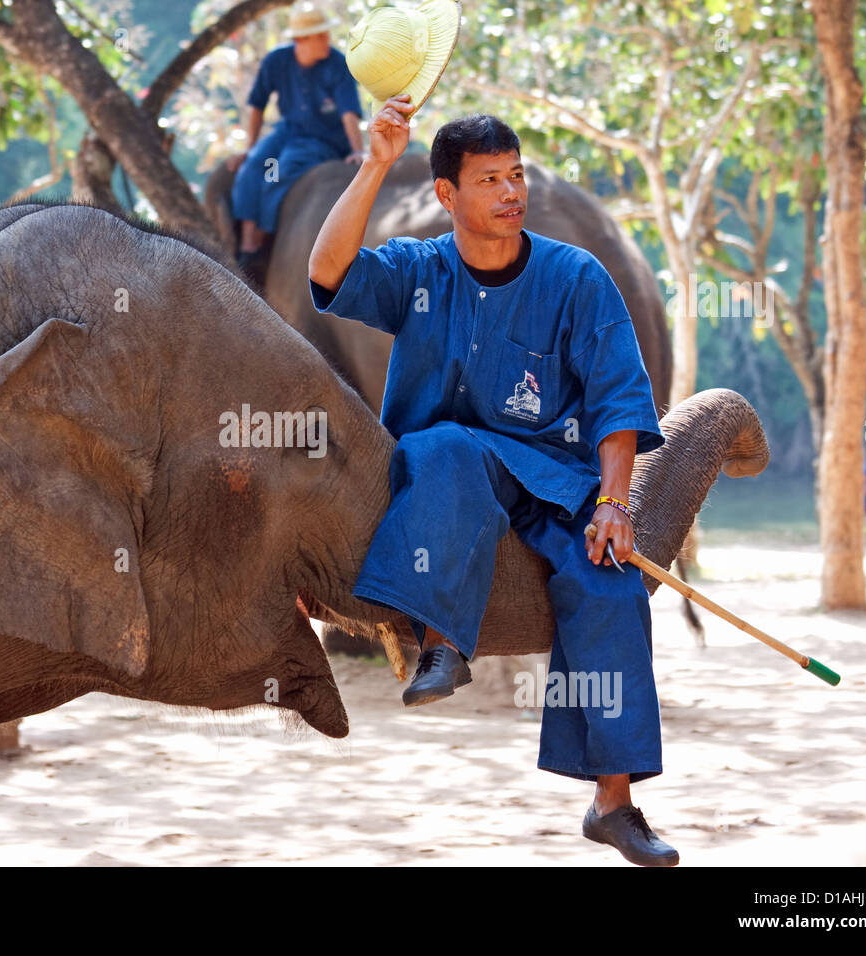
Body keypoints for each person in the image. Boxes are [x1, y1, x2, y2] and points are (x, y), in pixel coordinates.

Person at [307, 95, 679, 867]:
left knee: (609, 588)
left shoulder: (576, 277)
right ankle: (440, 643)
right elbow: (328, 271)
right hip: (449, 474)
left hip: (552, 477)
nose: (512, 193)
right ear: (447, 195)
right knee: (443, 445)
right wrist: (377, 161)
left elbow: (617, 398)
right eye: (490, 180)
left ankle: (614, 803)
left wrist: (614, 502)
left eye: (517, 176)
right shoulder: (415, 269)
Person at [228, 2, 365, 277]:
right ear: (301, 40)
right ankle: (247, 243)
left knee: (285, 167)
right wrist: (249, 147)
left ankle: (266, 238)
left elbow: (350, 113)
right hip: (288, 129)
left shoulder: (338, 64)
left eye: (327, 34)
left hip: (323, 139)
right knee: (255, 165)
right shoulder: (277, 61)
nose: (327, 40)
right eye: (320, 35)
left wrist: (358, 151)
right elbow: (257, 105)